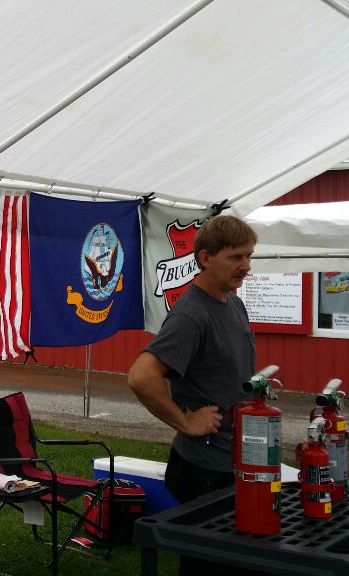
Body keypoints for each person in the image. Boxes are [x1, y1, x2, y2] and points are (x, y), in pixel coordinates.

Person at [127, 215, 258, 574]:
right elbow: (141, 376)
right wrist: (185, 420)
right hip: (203, 470)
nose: (245, 266)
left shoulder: (232, 302)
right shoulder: (192, 313)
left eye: (249, 256)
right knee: (207, 566)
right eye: (235, 258)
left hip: (233, 463)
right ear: (204, 258)